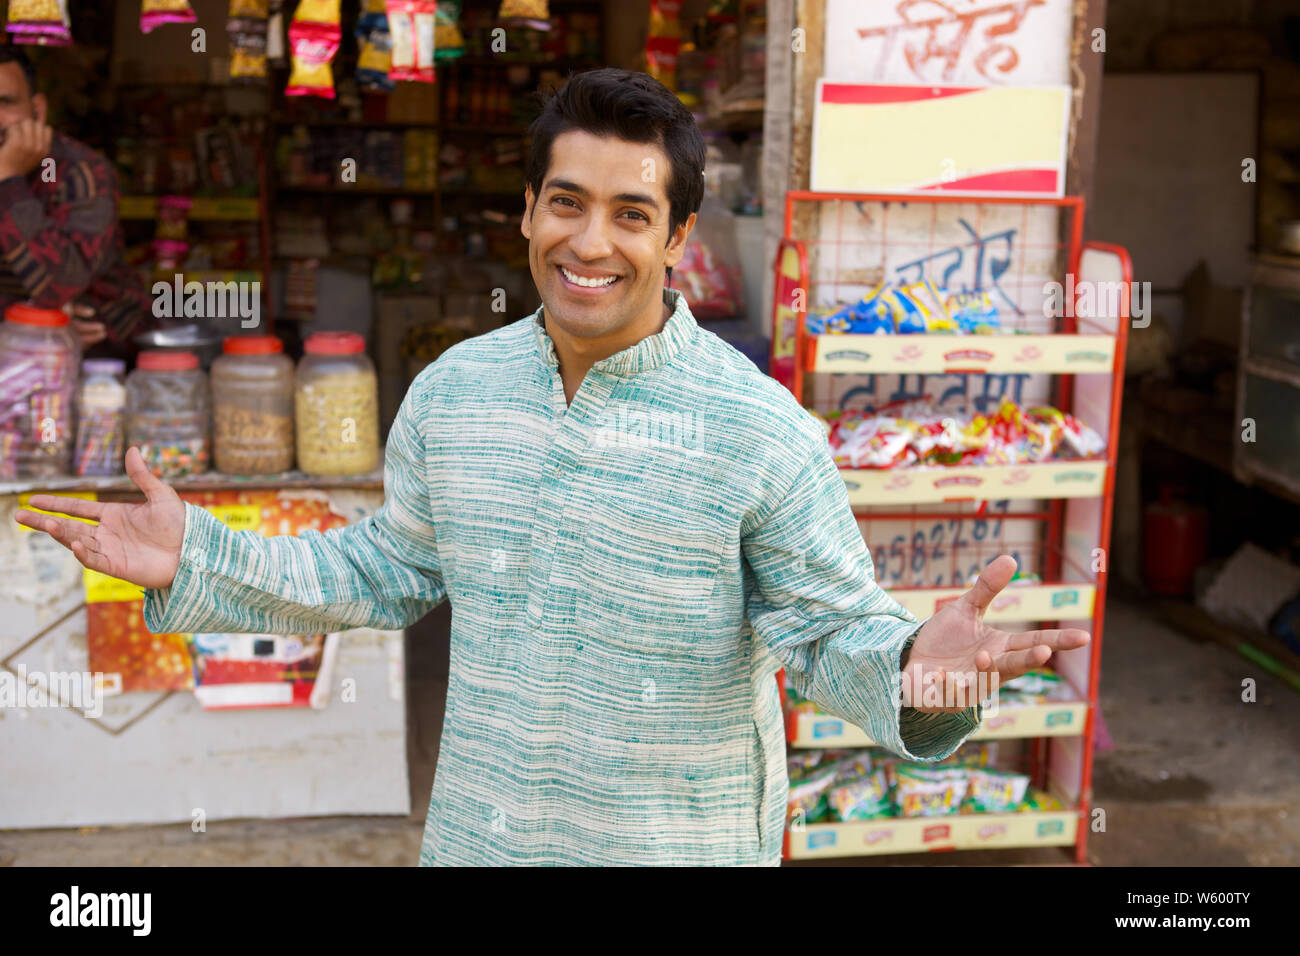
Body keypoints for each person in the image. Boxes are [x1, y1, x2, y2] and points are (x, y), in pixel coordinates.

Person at [16, 68, 1089, 866]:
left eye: (633, 214)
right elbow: (382, 570)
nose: (592, 242)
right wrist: (200, 554)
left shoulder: (758, 429)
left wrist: (918, 671)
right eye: (567, 202)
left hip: (680, 845)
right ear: (527, 210)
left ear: (676, 239)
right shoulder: (453, 392)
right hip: (485, 836)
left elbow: (826, 634)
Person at [0, 46, 149, 351]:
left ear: (37, 110)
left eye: (5, 103)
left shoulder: (78, 172)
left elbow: (59, 287)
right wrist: (27, 323)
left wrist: (8, 181)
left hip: (100, 355)